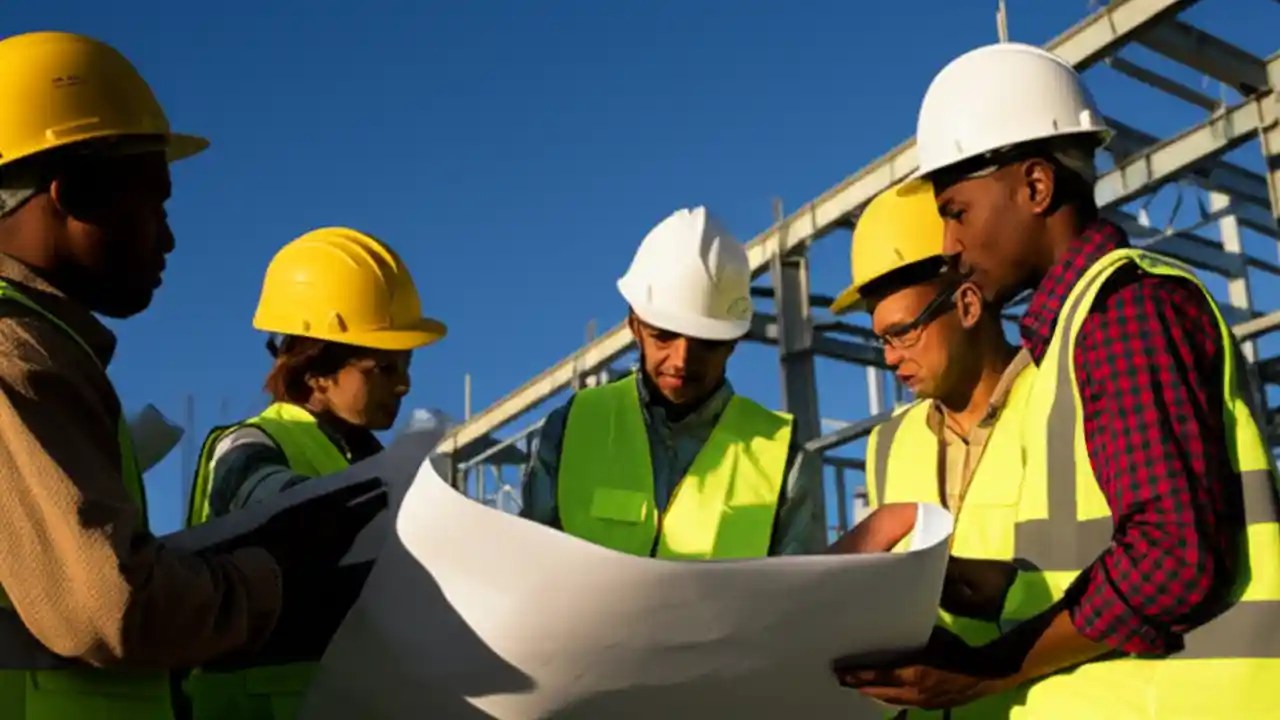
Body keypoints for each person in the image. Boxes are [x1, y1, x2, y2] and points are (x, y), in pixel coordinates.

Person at [841, 41, 1280, 719]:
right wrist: (944, 585)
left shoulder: (1124, 310)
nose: (951, 246)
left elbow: (1171, 560)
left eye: (957, 211)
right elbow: (1079, 565)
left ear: (1036, 187)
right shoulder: (1070, 340)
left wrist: (988, 670)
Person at [0, 30, 385, 720]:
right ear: (75, 194)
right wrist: (276, 570)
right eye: (154, 203)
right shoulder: (15, 353)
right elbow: (113, 610)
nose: (170, 237)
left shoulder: (42, 349)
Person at [182, 227, 446, 719]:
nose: (405, 384)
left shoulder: (372, 463)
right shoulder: (248, 446)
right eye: (383, 368)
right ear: (317, 370)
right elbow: (282, 511)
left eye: (406, 365)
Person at [825, 181, 1035, 718]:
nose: (890, 358)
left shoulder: (1063, 397)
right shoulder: (889, 445)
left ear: (967, 304)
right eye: (882, 340)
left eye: (904, 333)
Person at [520, 206, 823, 558]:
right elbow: (527, 563)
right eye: (663, 336)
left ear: (733, 341)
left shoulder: (783, 457)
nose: (681, 361)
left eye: (705, 343)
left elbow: (799, 589)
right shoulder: (571, 429)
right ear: (635, 326)